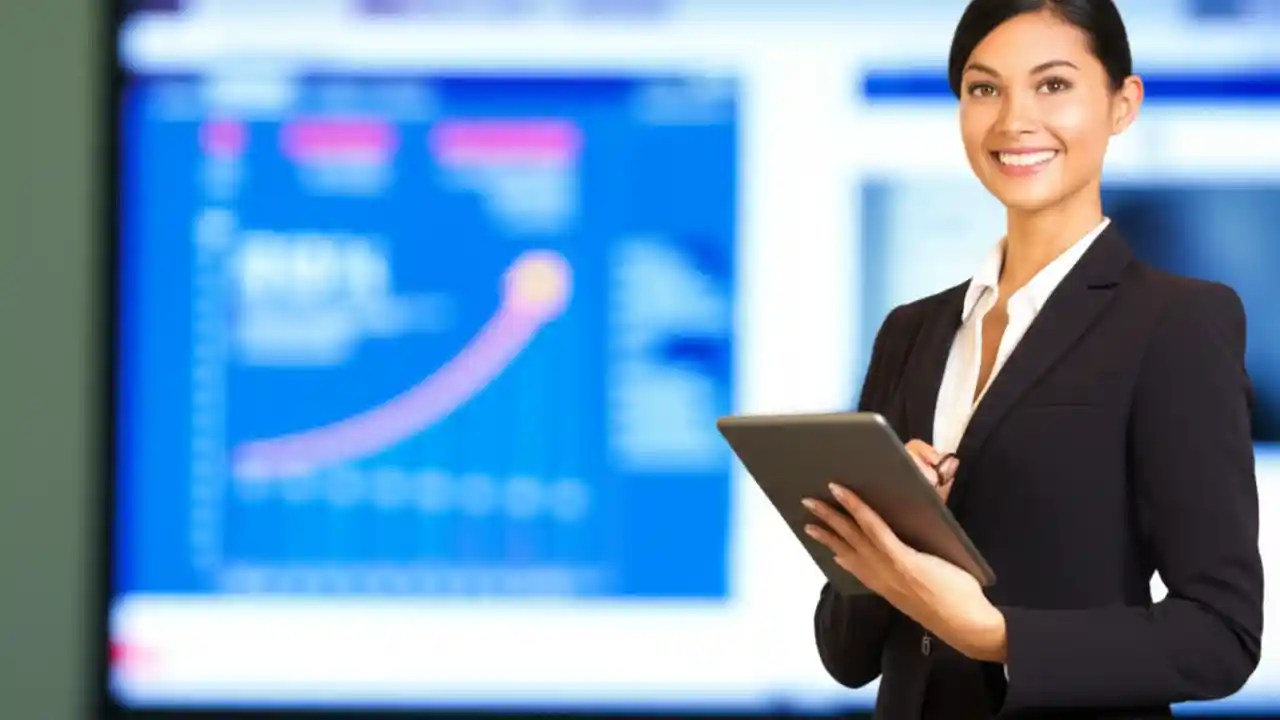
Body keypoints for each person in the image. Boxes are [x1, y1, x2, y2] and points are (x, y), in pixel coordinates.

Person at [801, 0, 1264, 717]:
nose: (1014, 118)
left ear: (1122, 104)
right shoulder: (911, 331)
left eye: (1053, 85)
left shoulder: (1176, 322)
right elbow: (846, 654)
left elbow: (1220, 636)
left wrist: (996, 635)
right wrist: (885, 541)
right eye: (984, 88)